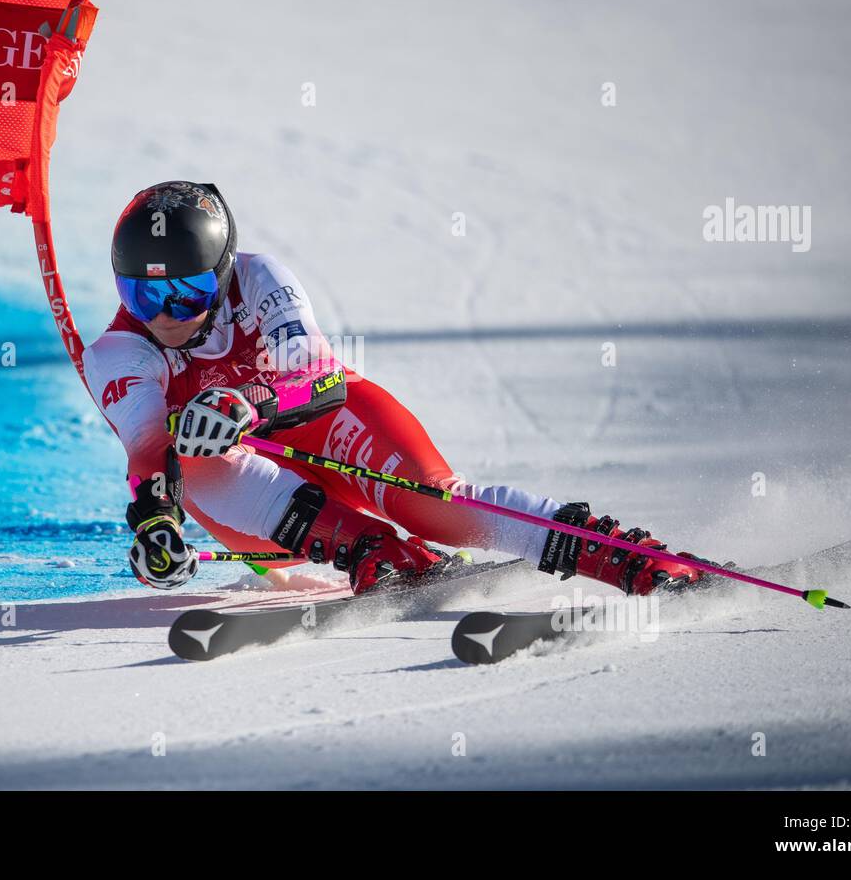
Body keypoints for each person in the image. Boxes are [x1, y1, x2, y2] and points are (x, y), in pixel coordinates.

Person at [84, 180, 705, 595]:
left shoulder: (260, 277)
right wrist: (155, 525)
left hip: (321, 422)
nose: (163, 313)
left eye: (185, 291)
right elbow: (147, 451)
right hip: (257, 507)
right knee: (189, 448)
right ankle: (372, 551)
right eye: (142, 292)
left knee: (436, 505)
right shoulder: (117, 350)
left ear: (220, 277)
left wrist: (250, 404)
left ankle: (621, 555)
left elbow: (318, 379)